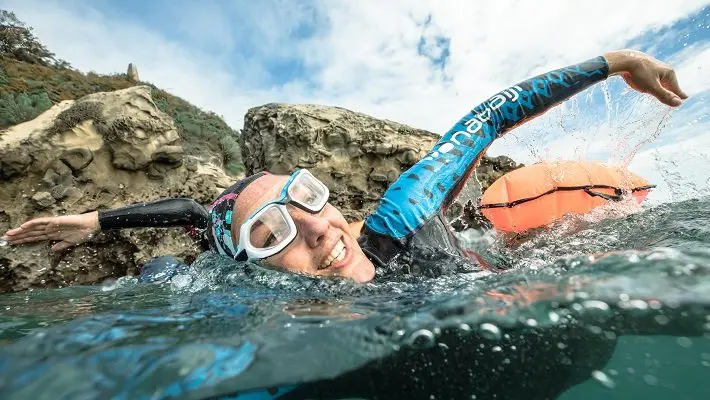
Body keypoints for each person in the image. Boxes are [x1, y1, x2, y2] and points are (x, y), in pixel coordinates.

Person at [1, 49, 688, 284]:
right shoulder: (263, 315)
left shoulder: (403, 219)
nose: (318, 232)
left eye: (309, 200)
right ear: (249, 267)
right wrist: (98, 222)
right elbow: (201, 217)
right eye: (270, 237)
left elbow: (484, 119)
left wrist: (618, 62)